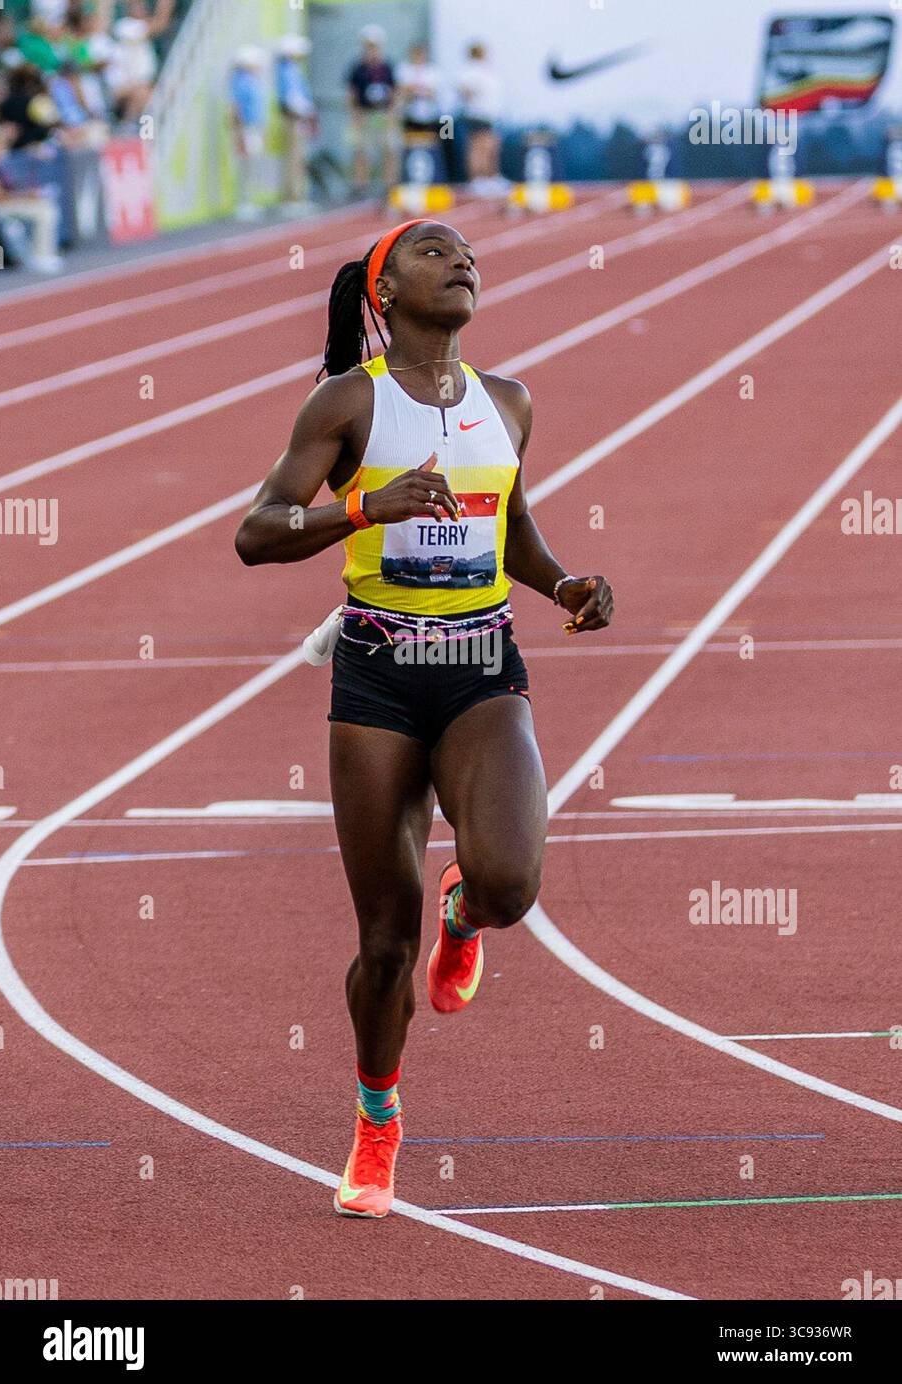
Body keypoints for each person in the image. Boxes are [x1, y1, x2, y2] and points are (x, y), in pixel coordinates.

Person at [234, 219, 614, 1217]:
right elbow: (256, 532)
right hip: (379, 676)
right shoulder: (346, 402)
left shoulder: (511, 402)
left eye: (467, 252)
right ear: (386, 291)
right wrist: (364, 509)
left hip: (480, 663)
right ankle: (376, 1120)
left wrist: (565, 580)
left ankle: (467, 913)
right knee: (385, 944)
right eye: (433, 251)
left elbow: (512, 525)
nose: (462, 260)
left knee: (508, 881)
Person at [0, 120, 63, 272]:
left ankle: (36, 256)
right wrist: (28, 196)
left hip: (4, 205)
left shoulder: (0, 164)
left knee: (45, 207)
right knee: (45, 212)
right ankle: (42, 256)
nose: (3, 147)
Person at [345, 24, 397, 192]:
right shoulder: (358, 68)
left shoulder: (387, 67)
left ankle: (389, 183)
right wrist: (354, 114)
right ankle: (361, 184)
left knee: (388, 148)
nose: (372, 50)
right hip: (364, 113)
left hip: (382, 113)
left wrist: (392, 114)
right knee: (361, 150)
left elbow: (395, 91)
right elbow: (351, 93)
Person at [274, 33, 316, 214]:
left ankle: (296, 195)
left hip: (296, 116)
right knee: (294, 158)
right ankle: (293, 197)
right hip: (294, 118)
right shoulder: (288, 70)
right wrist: (305, 111)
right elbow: (291, 98)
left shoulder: (291, 69)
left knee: (297, 158)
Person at [456, 41, 503, 190]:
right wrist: (475, 96)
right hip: (477, 113)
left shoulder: (486, 70)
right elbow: (464, 90)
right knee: (478, 147)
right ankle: (476, 179)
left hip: (488, 114)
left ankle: (490, 177)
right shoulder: (471, 70)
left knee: (491, 146)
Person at [228, 45, 266, 222]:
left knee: (251, 164)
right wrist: (239, 132)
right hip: (246, 128)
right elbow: (235, 109)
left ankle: (248, 200)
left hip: (253, 126)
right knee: (245, 164)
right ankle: (243, 202)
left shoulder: (250, 80)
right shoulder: (240, 81)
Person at [396, 41, 442, 138]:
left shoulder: (432, 71)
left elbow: (434, 93)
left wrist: (414, 90)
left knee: (432, 141)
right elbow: (402, 90)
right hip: (409, 114)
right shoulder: (404, 69)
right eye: (416, 53)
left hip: (429, 115)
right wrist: (421, 90)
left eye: (421, 54)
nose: (419, 57)